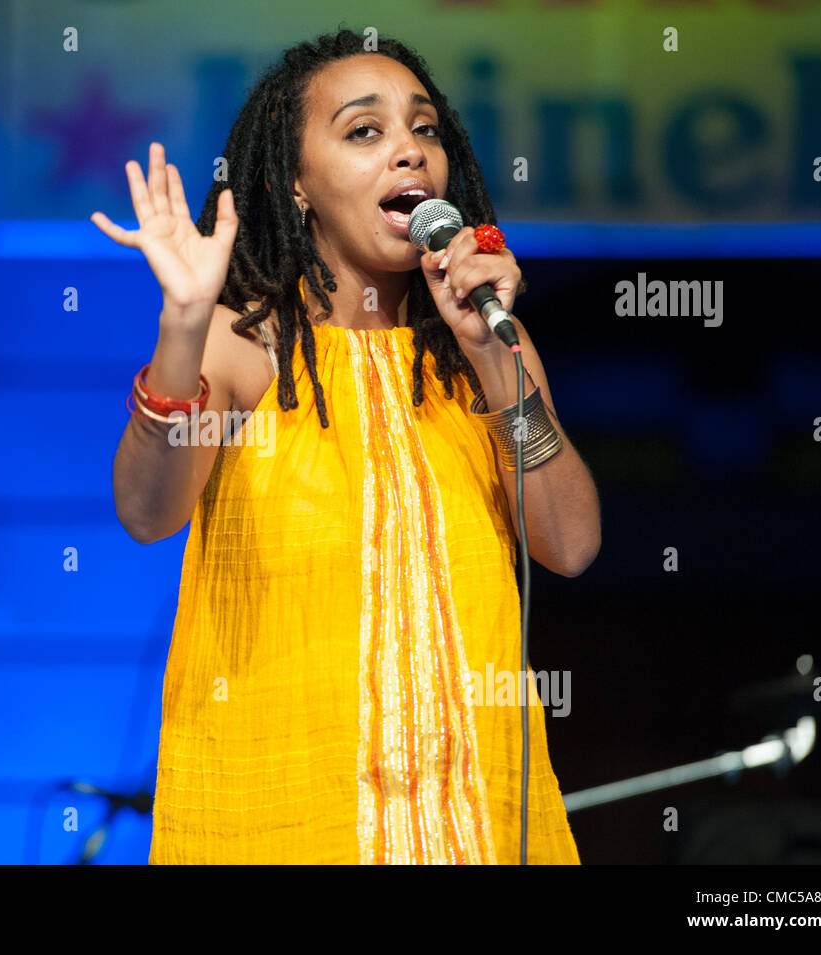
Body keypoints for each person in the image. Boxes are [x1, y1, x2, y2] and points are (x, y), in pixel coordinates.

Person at [92, 29, 601, 864]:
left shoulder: (480, 348)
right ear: (296, 185)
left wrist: (491, 358)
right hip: (286, 825)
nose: (409, 150)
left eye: (426, 129)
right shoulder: (241, 346)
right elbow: (147, 512)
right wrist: (182, 327)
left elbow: (572, 544)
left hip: (470, 829)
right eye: (364, 132)